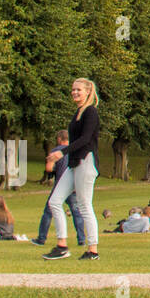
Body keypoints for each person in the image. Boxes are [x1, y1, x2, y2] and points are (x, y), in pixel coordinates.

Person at [42, 77, 101, 261]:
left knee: (84, 205)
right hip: (74, 163)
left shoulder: (90, 112)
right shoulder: (77, 112)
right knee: (54, 201)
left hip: (85, 161)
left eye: (79, 90)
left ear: (88, 92)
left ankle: (93, 250)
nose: (75, 92)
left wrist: (61, 153)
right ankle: (62, 245)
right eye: (73, 89)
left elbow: (84, 139)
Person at [32, 129, 86, 246]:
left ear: (59, 139)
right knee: (76, 212)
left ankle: (41, 238)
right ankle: (81, 239)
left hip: (60, 186)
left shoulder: (56, 151)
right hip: (73, 186)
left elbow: (49, 168)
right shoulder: (74, 151)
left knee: (48, 211)